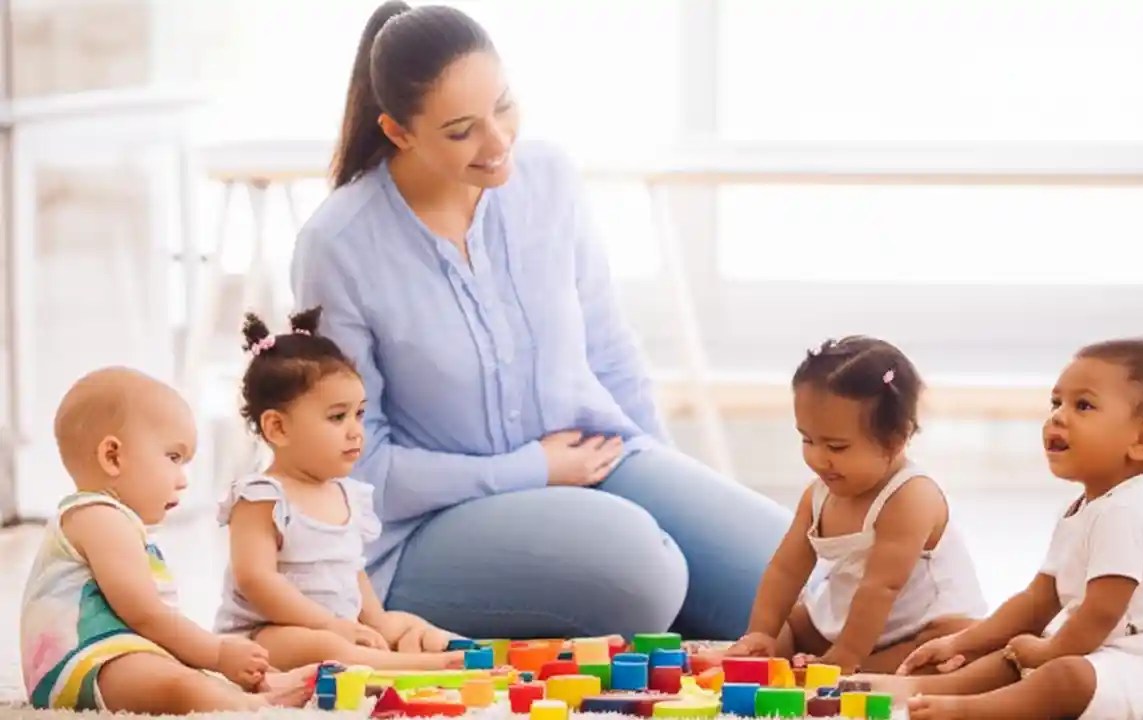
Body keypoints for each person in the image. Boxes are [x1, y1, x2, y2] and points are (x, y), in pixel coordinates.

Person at [290, 1, 789, 639]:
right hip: (430, 523)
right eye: (461, 129)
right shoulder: (340, 244)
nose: (498, 144)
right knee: (643, 570)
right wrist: (532, 469)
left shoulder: (549, 179)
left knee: (795, 575)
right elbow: (357, 465)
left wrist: (670, 485)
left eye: (503, 105)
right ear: (399, 132)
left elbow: (609, 351)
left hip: (593, 462)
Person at [856, 339, 1143, 720]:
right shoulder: (1082, 509)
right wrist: (961, 641)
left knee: (1061, 672)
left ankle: (970, 711)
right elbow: (1038, 601)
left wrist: (1048, 652)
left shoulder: (1126, 509)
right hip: (1105, 656)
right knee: (1013, 652)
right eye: (1056, 403)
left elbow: (1101, 612)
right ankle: (918, 690)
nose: (1057, 417)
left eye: (1083, 405)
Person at [20, 367, 314, 713]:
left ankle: (246, 693)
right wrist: (217, 653)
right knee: (182, 685)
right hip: (82, 665)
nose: (182, 480)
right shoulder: (100, 518)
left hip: (109, 656)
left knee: (185, 674)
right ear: (113, 457)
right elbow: (146, 615)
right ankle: (251, 707)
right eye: (173, 458)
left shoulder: (113, 521)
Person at [213, 309, 465, 671]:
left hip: (338, 626)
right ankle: (409, 667)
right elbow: (256, 579)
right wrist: (328, 624)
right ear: (278, 429)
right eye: (337, 417)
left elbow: (350, 570)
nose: (355, 431)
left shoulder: (347, 495)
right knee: (326, 647)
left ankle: (453, 651)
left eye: (359, 414)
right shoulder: (262, 497)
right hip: (263, 636)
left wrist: (377, 621)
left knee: (405, 622)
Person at [724, 337, 986, 673]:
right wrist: (761, 631)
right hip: (847, 622)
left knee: (954, 646)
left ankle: (856, 672)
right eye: (807, 439)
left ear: (894, 440)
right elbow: (786, 570)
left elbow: (881, 587)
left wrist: (846, 656)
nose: (818, 458)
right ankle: (803, 665)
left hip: (918, 629)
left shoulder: (910, 497)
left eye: (836, 446)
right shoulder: (817, 496)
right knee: (787, 622)